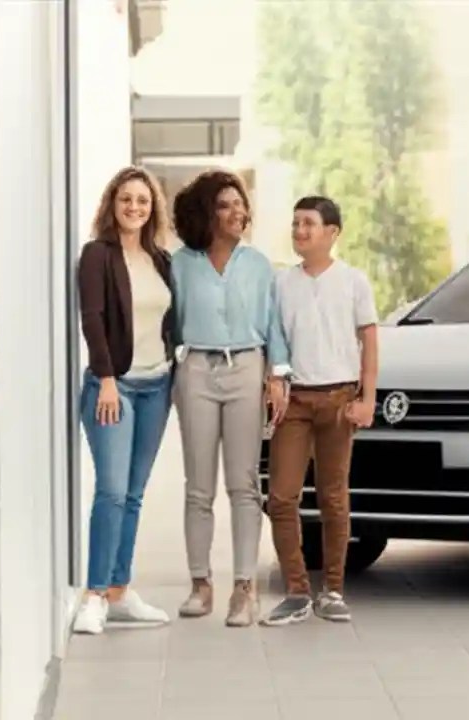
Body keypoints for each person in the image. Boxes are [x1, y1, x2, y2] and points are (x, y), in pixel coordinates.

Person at [170, 169, 290, 627]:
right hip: (197, 369)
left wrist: (277, 374)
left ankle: (244, 589)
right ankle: (200, 584)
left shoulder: (258, 265)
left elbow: (273, 323)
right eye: (225, 205)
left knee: (243, 483)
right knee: (198, 486)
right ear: (206, 213)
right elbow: (171, 323)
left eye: (240, 203)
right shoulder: (181, 264)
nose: (237, 211)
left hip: (247, 367)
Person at [262, 196, 377, 626]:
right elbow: (273, 340)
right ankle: (296, 592)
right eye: (295, 223)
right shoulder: (281, 283)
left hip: (339, 400)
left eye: (308, 223)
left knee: (333, 497)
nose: (299, 231)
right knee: (281, 497)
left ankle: (333, 589)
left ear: (332, 232)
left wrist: (368, 398)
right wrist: (273, 382)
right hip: (294, 401)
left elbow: (370, 341)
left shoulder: (353, 282)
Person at [72, 166, 176, 635]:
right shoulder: (97, 255)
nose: (135, 207)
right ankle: (94, 595)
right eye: (126, 199)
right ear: (112, 205)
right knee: (111, 491)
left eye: (143, 200)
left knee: (133, 495)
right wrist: (107, 378)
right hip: (114, 387)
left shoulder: (160, 259)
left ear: (153, 208)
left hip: (157, 385)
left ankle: (119, 590)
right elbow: (92, 319)